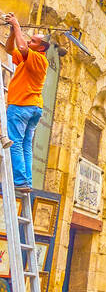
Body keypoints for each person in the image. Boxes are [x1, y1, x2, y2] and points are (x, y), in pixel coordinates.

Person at [4, 12, 50, 193]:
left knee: (15, 142)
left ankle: (21, 181)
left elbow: (22, 48)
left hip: (22, 105)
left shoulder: (38, 59)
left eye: (33, 42)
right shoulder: (27, 59)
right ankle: (26, 181)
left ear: (41, 48)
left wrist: (16, 24)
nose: (29, 43)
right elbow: (10, 50)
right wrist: (12, 33)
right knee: (25, 146)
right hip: (32, 107)